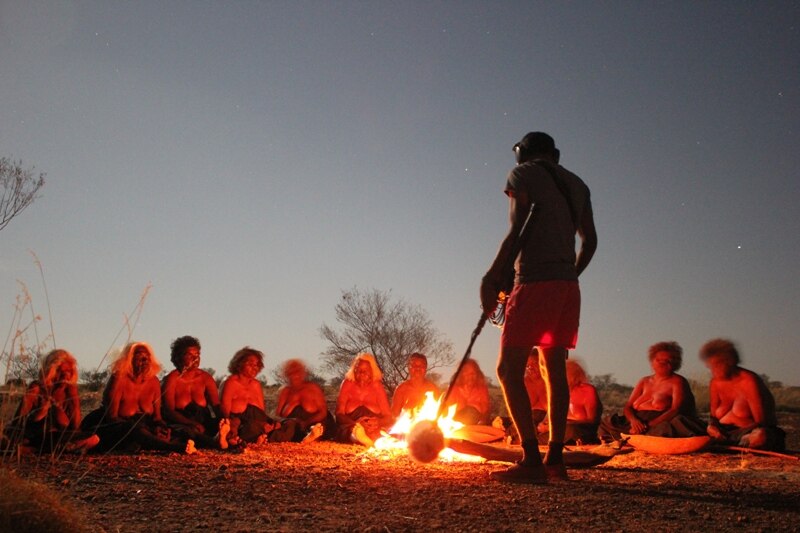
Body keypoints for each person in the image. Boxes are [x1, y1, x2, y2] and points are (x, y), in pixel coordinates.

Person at [481, 131, 597, 483]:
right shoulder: (578, 184)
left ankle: (531, 460)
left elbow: (517, 228)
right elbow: (589, 241)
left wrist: (493, 275)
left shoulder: (523, 174)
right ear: (555, 154)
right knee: (553, 370)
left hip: (533, 282)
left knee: (508, 370)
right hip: (567, 287)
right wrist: (568, 274)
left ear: (524, 153)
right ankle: (555, 461)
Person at [82, 342, 196, 454]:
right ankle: (177, 448)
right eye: (139, 356)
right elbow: (112, 417)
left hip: (143, 428)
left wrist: (162, 427)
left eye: (147, 357)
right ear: (129, 360)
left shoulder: (154, 382)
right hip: (116, 428)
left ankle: (211, 443)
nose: (145, 360)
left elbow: (157, 418)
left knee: (182, 430)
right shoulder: (118, 379)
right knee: (134, 430)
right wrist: (145, 429)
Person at [599, 341, 705, 442]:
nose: (662, 364)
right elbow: (628, 406)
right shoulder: (644, 381)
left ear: (675, 364)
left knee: (669, 428)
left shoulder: (678, 381)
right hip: (635, 423)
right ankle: (624, 438)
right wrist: (634, 421)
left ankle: (637, 438)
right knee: (607, 422)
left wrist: (648, 425)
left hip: (658, 423)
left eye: (667, 361)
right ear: (652, 362)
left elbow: (675, 410)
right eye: (659, 360)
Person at [701, 338, 785, 451]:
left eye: (717, 365)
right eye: (711, 366)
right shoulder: (715, 382)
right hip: (725, 433)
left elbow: (762, 422)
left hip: (747, 433)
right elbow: (713, 417)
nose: (713, 370)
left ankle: (734, 445)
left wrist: (732, 433)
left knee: (761, 436)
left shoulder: (749, 381)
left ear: (729, 361)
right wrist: (713, 427)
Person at [8, 349, 99, 453]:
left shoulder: (70, 390)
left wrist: (59, 415)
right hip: (34, 436)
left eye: (69, 371)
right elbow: (17, 422)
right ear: (50, 370)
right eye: (61, 371)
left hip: (58, 436)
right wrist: (40, 414)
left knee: (93, 438)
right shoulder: (36, 389)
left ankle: (38, 450)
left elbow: (76, 427)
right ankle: (39, 449)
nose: (66, 376)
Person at [220, 346, 296, 446]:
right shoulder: (230, 383)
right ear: (239, 363)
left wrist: (269, 423)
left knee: (291, 423)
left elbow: (261, 412)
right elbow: (224, 413)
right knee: (253, 427)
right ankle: (265, 437)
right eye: (250, 364)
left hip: (259, 422)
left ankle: (266, 436)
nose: (254, 368)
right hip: (241, 424)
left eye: (257, 365)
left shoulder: (256, 384)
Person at [161, 336, 227, 449]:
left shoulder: (205, 378)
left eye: (197, 355)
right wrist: (191, 423)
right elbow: (169, 411)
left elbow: (216, 405)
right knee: (188, 432)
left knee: (225, 425)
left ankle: (223, 438)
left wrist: (225, 419)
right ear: (179, 357)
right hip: (181, 422)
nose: (195, 358)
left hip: (203, 420)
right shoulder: (171, 379)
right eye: (190, 355)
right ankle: (215, 443)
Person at [335, 353, 392, 447]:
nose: (362, 373)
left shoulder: (377, 386)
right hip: (351, 426)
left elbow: (388, 416)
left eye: (366, 370)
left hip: (374, 428)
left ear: (372, 371)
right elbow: (339, 414)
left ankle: (371, 439)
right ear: (354, 370)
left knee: (382, 432)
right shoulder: (347, 384)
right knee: (352, 432)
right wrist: (356, 424)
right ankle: (359, 437)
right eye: (359, 370)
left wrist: (377, 422)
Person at [538, 359, 601, 445]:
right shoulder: (557, 392)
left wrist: (563, 424)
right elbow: (547, 419)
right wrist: (543, 426)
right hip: (557, 433)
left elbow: (593, 420)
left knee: (570, 429)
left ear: (574, 374)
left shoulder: (587, 391)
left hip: (577, 432)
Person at [275, 359, 336, 443]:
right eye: (291, 371)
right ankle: (304, 437)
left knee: (318, 427)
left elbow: (323, 412)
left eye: (298, 371)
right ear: (286, 374)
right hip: (293, 427)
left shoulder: (313, 388)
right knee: (287, 428)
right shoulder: (284, 391)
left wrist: (306, 422)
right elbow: (278, 415)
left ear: (303, 373)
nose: (295, 374)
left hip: (315, 423)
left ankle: (311, 435)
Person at [443, 359, 491, 425]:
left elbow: (485, 410)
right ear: (461, 374)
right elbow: (447, 410)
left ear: (478, 374)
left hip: (476, 426)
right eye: (466, 373)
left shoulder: (482, 389)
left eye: (473, 373)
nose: (470, 376)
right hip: (455, 426)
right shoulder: (453, 388)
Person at [391, 353, 440, 419]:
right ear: (408, 367)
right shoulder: (401, 390)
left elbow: (439, 415)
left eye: (421, 366)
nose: (418, 368)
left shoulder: (433, 389)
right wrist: (406, 410)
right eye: (414, 365)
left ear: (425, 368)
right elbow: (393, 416)